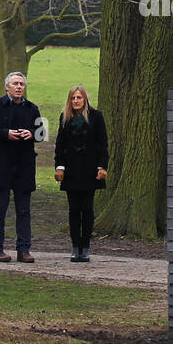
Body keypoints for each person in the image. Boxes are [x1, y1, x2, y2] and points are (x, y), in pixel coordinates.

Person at [0, 71, 43, 263]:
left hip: (24, 166)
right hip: (1, 165)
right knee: (0, 208)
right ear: (7, 87)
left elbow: (42, 133)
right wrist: (5, 133)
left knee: (24, 210)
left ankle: (24, 249)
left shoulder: (32, 109)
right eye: (15, 83)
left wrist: (30, 133)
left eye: (21, 84)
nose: (18, 87)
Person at [54, 86, 108, 262]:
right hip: (71, 171)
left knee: (87, 208)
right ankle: (75, 246)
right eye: (73, 98)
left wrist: (102, 166)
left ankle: (85, 246)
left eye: (79, 98)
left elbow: (102, 145)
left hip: (90, 170)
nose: (76, 101)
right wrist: (59, 167)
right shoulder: (65, 118)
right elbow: (60, 145)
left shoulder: (96, 117)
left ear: (85, 99)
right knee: (73, 209)